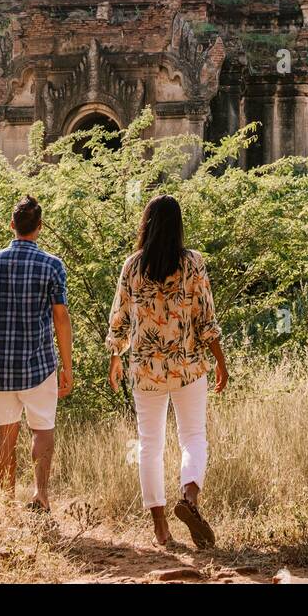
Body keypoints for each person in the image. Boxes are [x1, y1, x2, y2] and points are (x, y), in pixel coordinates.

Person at [106, 193, 228, 549]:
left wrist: (116, 356)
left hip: (146, 369)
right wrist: (220, 359)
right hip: (189, 366)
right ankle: (189, 500)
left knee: (150, 445)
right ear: (178, 226)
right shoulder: (193, 263)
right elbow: (207, 318)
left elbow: (120, 317)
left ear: (146, 224)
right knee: (193, 436)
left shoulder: (132, 266)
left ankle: (160, 529)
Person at [0, 194, 73, 512]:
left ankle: (6, 501)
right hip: (39, 364)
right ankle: (40, 495)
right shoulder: (52, 265)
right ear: (39, 228)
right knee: (42, 429)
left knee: (5, 434)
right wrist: (67, 367)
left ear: (11, 225)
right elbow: (60, 316)